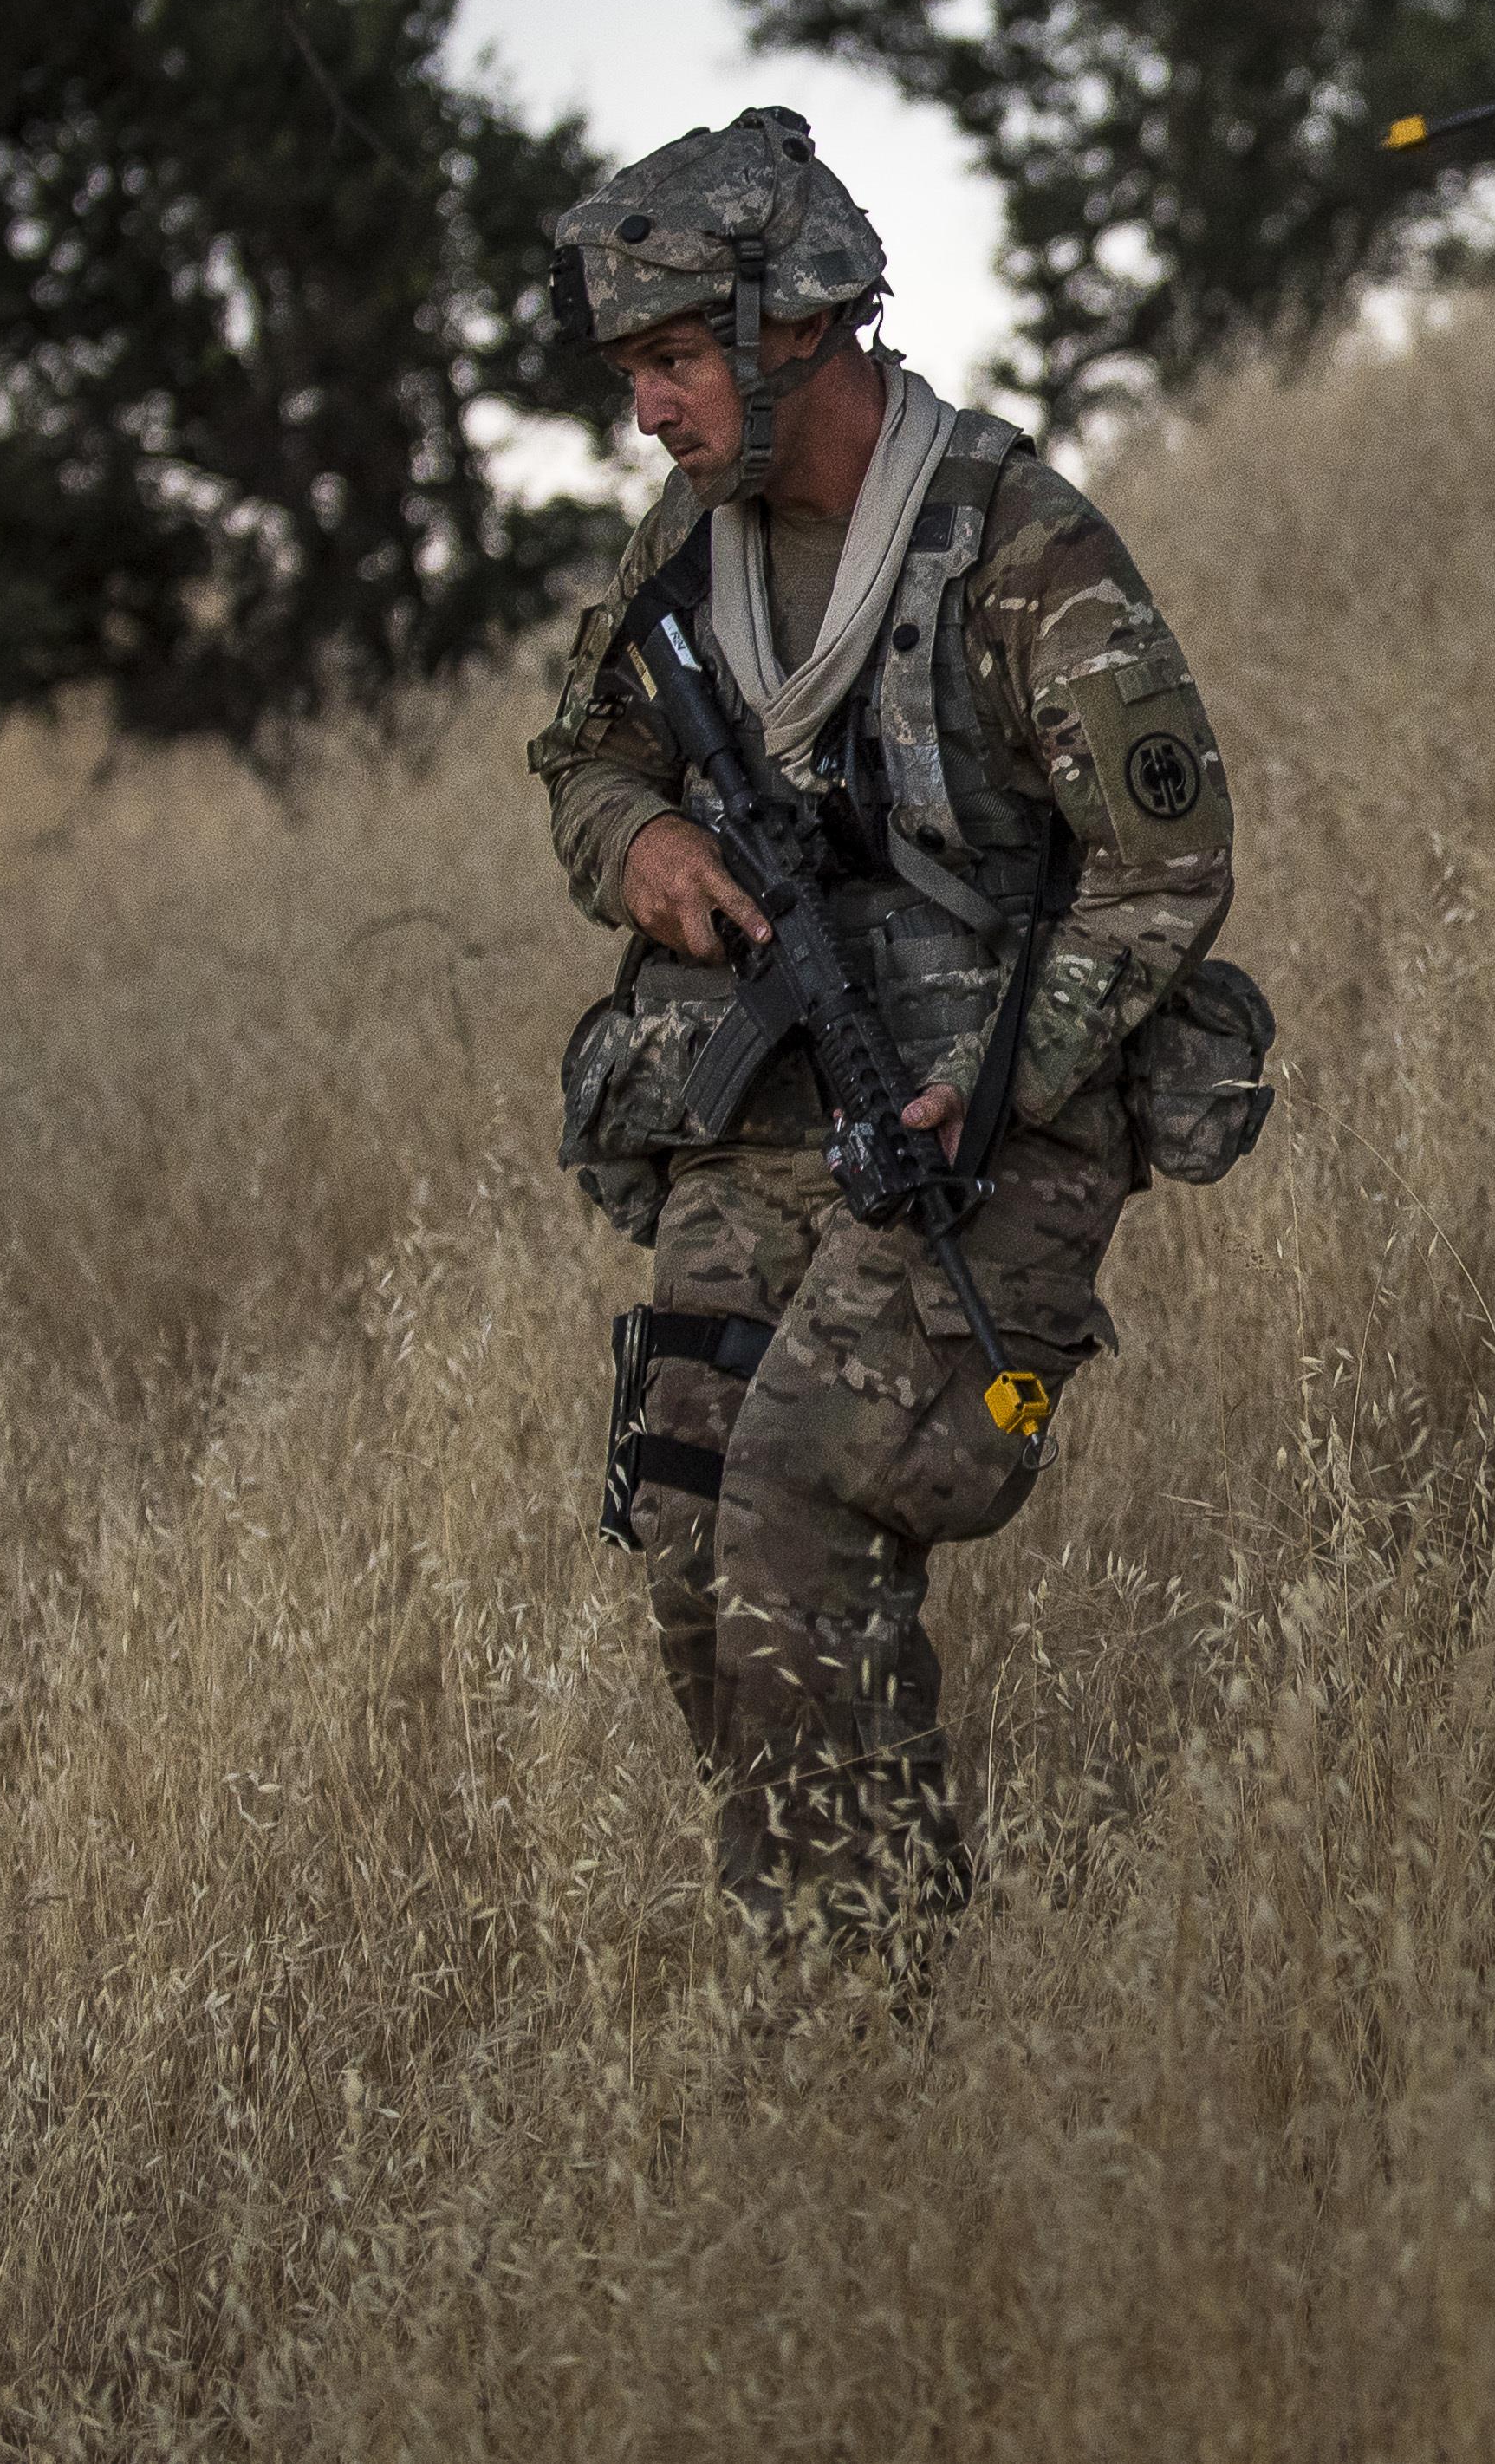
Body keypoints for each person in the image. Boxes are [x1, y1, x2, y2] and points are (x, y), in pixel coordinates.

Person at [525, 108, 1238, 1945]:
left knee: (799, 1503)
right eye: (632, 372)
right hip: (768, 1096)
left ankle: (869, 2001)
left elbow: (1164, 869)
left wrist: (995, 1082)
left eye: (675, 358)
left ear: (799, 327)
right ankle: (816, 1967)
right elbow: (585, 754)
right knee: (684, 1527)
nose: (651, 413)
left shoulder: (1017, 544)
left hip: (993, 1114)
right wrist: (648, 843)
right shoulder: (689, 554)